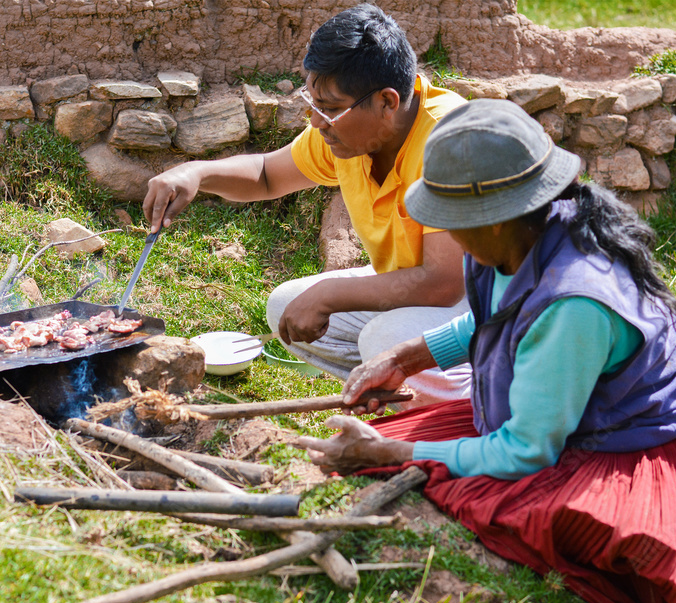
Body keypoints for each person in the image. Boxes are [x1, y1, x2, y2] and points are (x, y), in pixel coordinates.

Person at [295, 99, 676, 603]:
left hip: (659, 442)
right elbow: (495, 310)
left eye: (452, 223)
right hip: (587, 411)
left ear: (496, 216)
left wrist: (398, 451)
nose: (444, 234)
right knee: (434, 446)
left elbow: (526, 450)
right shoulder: (524, 233)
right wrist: (408, 357)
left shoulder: (574, 303)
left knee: (537, 512)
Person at [143, 4, 471, 405]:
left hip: (487, 305)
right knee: (286, 306)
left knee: (383, 339)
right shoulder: (348, 134)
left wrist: (330, 294)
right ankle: (398, 389)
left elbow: (444, 283)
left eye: (330, 108)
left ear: (387, 101)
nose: (317, 122)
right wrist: (197, 173)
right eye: (313, 103)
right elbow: (267, 175)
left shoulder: (449, 140)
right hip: (428, 293)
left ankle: (473, 401)